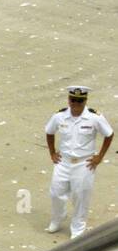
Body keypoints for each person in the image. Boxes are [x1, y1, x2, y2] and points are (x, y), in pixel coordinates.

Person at [45, 86, 113, 238]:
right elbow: (49, 132)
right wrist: (52, 153)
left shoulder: (95, 117)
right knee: (56, 192)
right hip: (63, 161)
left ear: (85, 101)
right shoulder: (59, 116)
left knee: (80, 196)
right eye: (73, 100)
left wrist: (99, 156)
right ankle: (58, 218)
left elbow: (109, 134)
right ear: (69, 100)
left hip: (84, 163)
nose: (76, 104)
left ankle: (78, 227)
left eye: (80, 101)